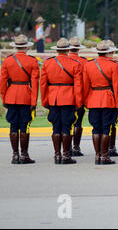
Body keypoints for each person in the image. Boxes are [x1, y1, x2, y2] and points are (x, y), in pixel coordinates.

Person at [40, 38, 83, 165]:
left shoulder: (48, 63)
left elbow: (43, 84)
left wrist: (45, 101)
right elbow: (78, 86)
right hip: (68, 98)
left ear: (57, 50)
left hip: (54, 98)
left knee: (55, 128)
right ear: (68, 50)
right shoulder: (75, 63)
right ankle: (65, 155)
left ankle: (57, 154)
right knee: (66, 127)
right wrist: (78, 103)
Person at [0, 35, 39, 164]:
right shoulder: (32, 61)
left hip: (11, 95)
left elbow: (2, 82)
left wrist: (4, 98)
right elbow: (35, 84)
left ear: (16, 47)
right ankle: (24, 155)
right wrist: (34, 101)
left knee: (13, 125)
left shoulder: (8, 60)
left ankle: (15, 155)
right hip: (25, 95)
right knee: (25, 126)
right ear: (27, 47)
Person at [83, 40, 118, 165]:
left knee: (96, 128)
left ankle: (97, 155)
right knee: (106, 128)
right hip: (108, 98)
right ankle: (104, 156)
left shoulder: (88, 65)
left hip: (93, 98)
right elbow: (116, 86)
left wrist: (86, 100)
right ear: (108, 52)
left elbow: (85, 86)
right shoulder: (113, 65)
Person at [68, 37, 88, 157]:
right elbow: (85, 82)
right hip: (79, 95)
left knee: (66, 123)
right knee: (78, 122)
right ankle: (76, 147)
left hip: (62, 96)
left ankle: (66, 148)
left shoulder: (60, 60)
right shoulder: (84, 61)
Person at [105, 40, 118, 157]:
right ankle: (110, 147)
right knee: (112, 124)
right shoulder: (117, 65)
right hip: (112, 97)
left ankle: (101, 150)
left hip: (96, 98)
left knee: (99, 126)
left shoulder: (91, 64)